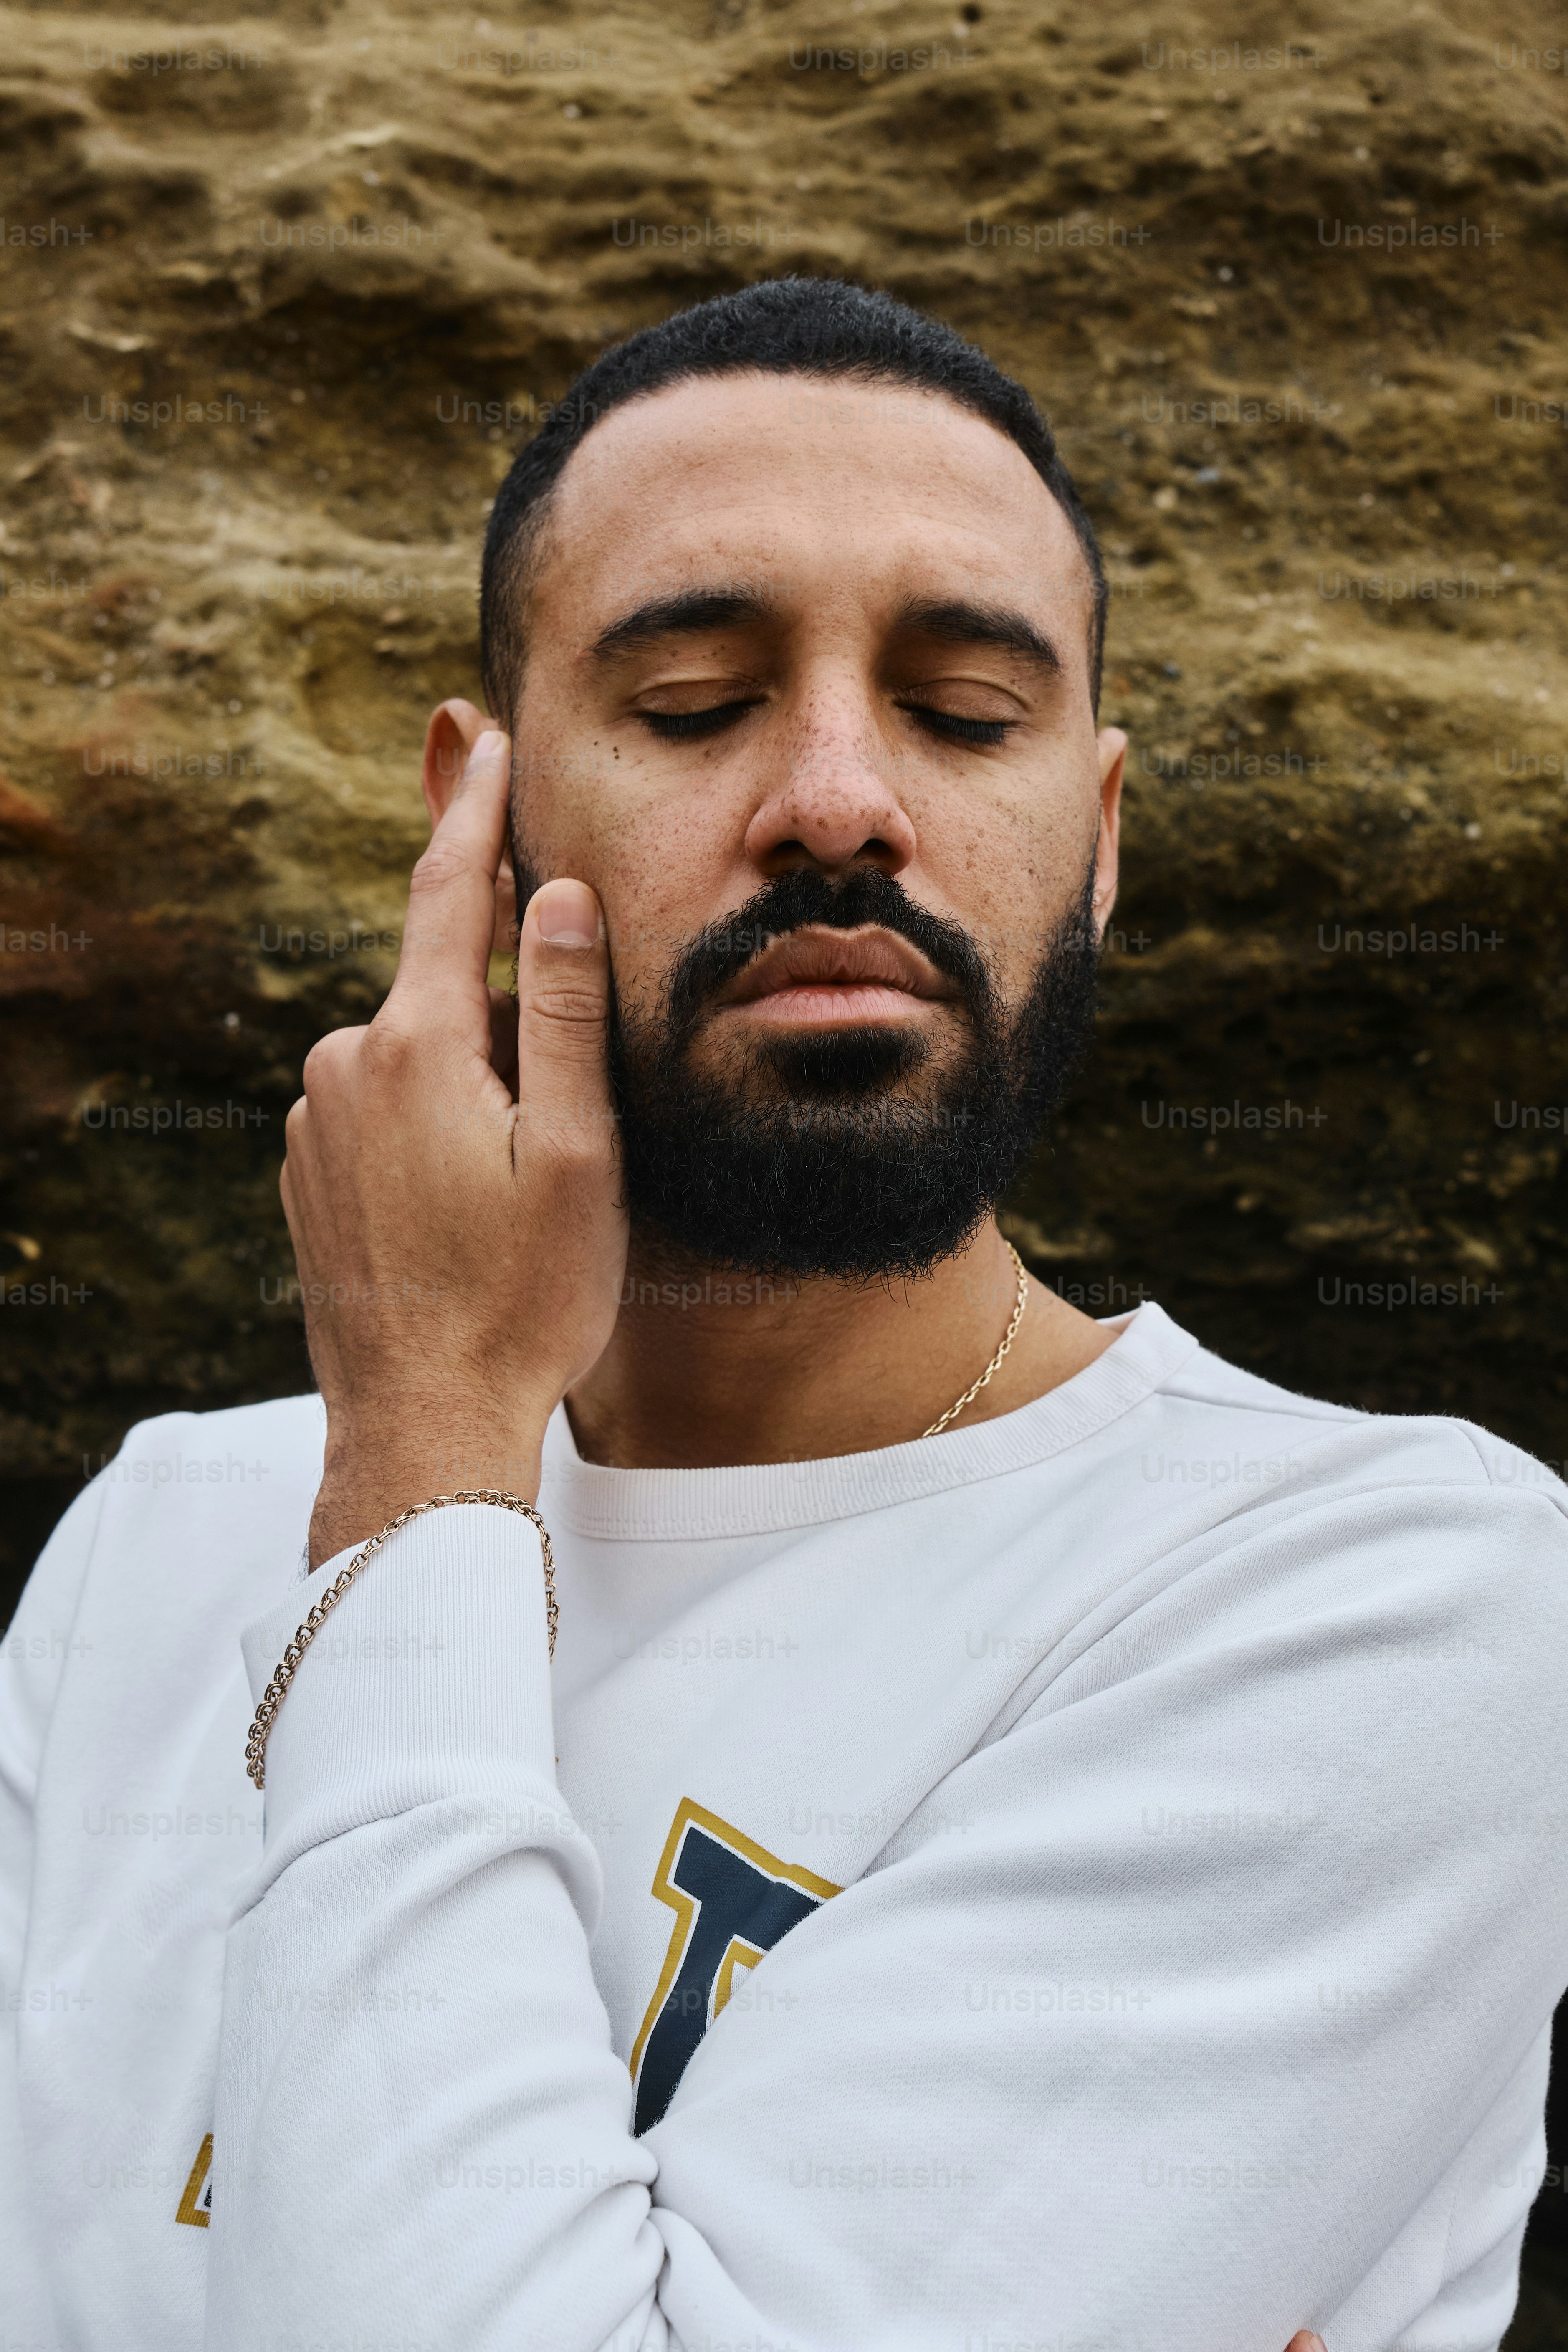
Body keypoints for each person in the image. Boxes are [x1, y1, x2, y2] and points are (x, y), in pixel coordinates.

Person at [2, 278, 1563, 2352]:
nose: (837, 797)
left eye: (966, 711)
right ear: (479, 813)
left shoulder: (1389, 1602)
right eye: (693, 701)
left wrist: (425, 1461)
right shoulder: (159, 1539)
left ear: (1097, 845)